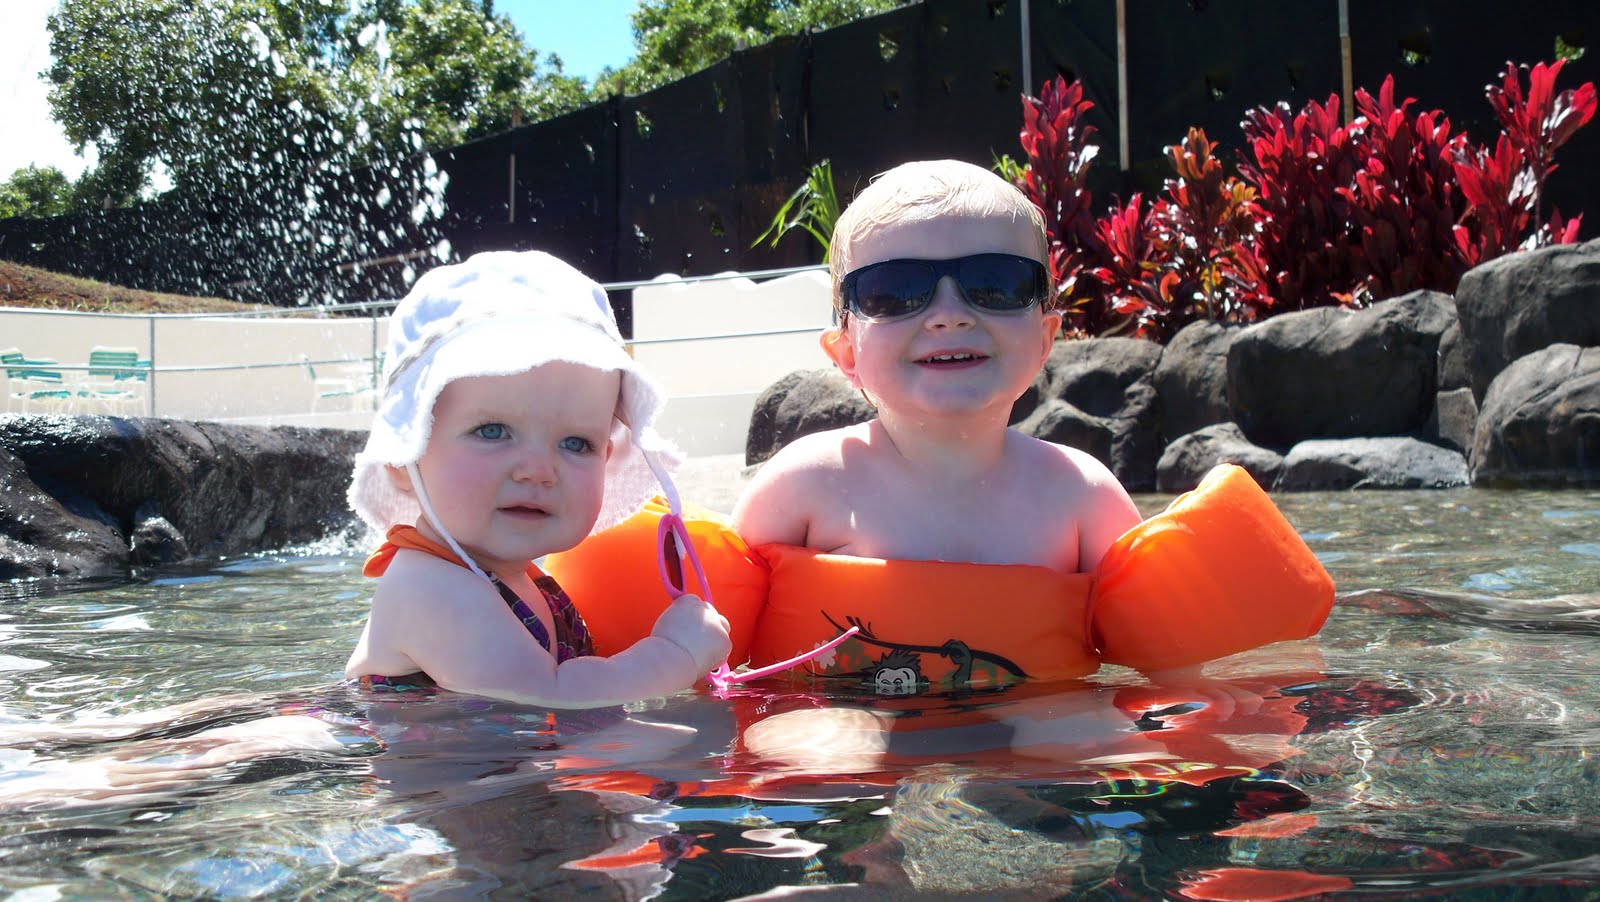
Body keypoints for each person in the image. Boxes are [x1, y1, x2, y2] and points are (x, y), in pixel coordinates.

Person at [343, 249, 731, 706]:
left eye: (575, 443)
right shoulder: (426, 586)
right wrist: (675, 654)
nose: (538, 471)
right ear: (403, 455)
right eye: (492, 431)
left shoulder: (514, 578)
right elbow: (550, 699)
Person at [732, 159, 1143, 574]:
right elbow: (725, 609)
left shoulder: (1084, 498)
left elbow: (1147, 634)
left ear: (1043, 340)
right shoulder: (803, 488)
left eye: (995, 283)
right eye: (895, 290)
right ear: (847, 353)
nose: (949, 314)